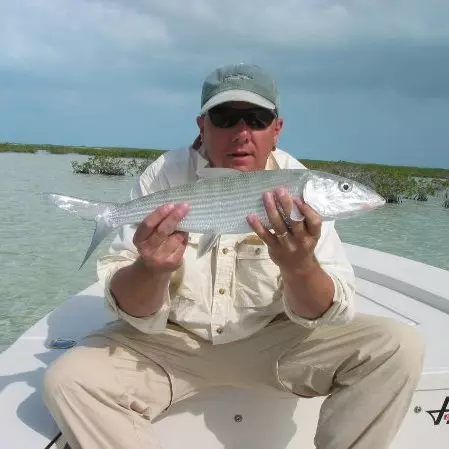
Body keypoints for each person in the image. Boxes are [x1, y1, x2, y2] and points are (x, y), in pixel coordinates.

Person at [43, 63, 425, 449]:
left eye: (257, 119)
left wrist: (300, 267)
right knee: (69, 381)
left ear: (276, 129)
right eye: (225, 117)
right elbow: (126, 307)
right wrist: (151, 269)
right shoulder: (162, 176)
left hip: (274, 343)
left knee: (397, 346)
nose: (242, 133)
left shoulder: (299, 184)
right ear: (201, 126)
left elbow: (330, 312)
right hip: (169, 345)